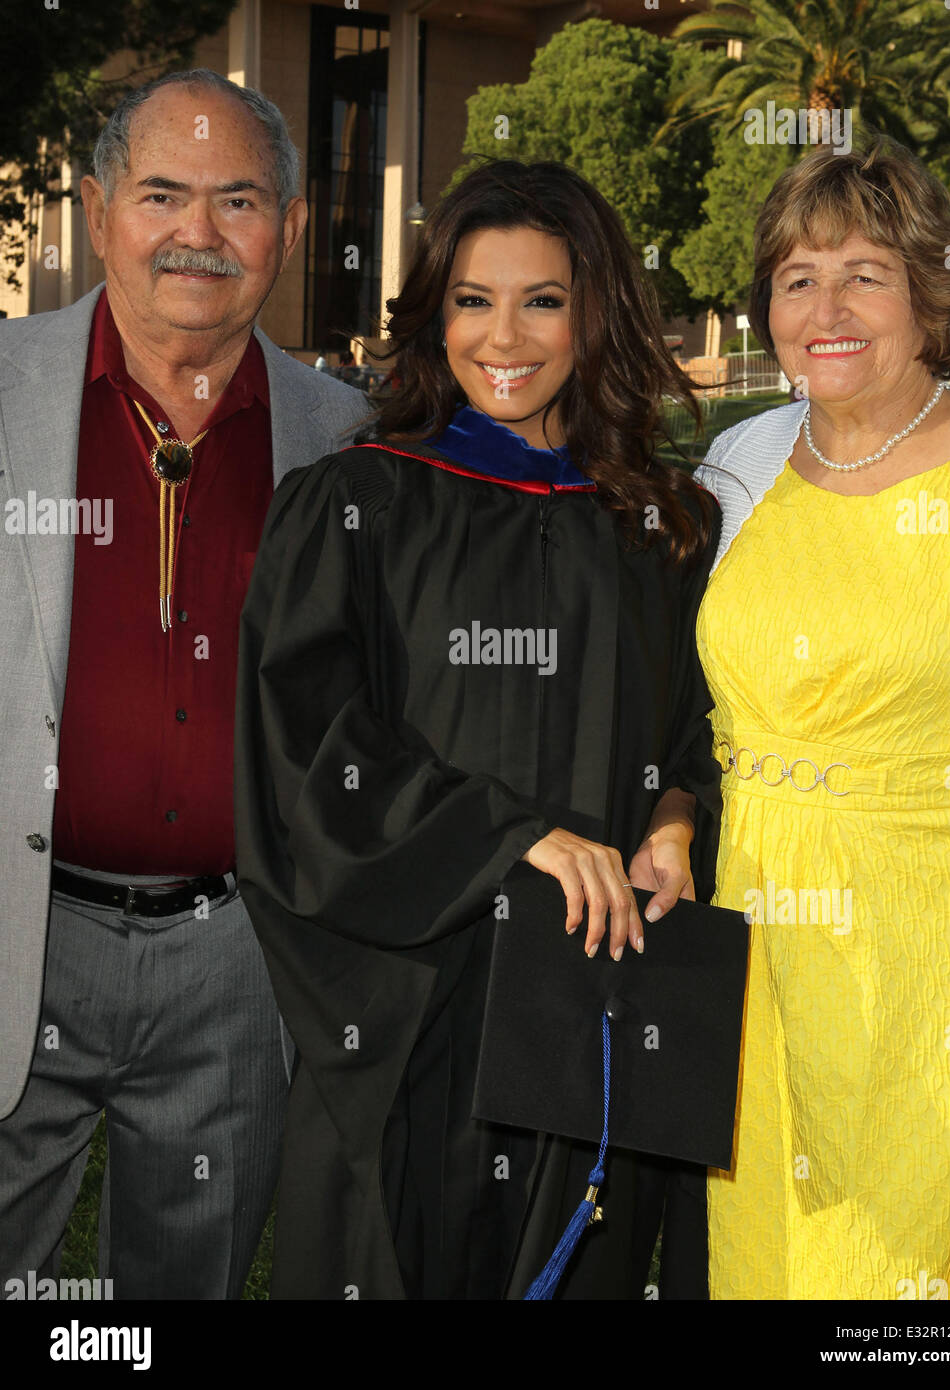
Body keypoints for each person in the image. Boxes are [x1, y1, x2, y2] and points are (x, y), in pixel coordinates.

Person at [235, 159, 722, 1300]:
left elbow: (703, 717)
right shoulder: (360, 504)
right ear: (433, 314)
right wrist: (510, 839)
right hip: (415, 997)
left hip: (594, 985)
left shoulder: (660, 525)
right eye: (471, 299)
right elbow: (304, 753)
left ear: (596, 312)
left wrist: (676, 819)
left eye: (543, 300)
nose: (503, 335)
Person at [0, 69, 367, 1299]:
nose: (199, 234)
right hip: (19, 928)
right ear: (101, 210)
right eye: (163, 194)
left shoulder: (349, 436)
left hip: (235, 958)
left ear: (293, 229)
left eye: (239, 201)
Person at [686, 137, 950, 1299]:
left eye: (865, 272)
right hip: (756, 940)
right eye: (797, 277)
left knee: (905, 1266)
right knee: (770, 1244)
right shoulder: (740, 462)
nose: (827, 307)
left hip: (944, 952)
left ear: (931, 295)